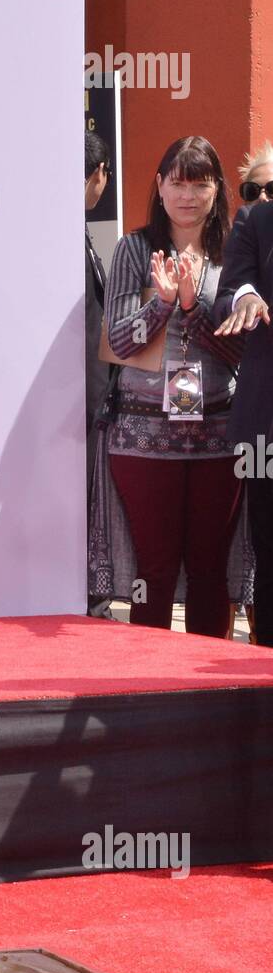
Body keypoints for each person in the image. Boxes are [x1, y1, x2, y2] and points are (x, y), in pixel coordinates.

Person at [88, 136, 251, 634]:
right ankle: (150, 675)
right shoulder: (135, 249)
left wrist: (191, 306)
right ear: (159, 187)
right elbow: (119, 341)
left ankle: (204, 677)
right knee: (153, 571)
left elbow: (241, 352)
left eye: (199, 184)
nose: (187, 196)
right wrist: (161, 304)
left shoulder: (234, 251)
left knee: (210, 570)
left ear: (217, 190)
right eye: (177, 183)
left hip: (219, 437)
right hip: (142, 438)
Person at [213, 170, 273, 646]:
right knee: (270, 553)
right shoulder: (255, 221)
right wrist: (247, 296)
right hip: (266, 429)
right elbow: (231, 292)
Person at [84, 131, 114, 618]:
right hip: (78, 404)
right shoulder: (59, 235)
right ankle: (92, 603)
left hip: (90, 401)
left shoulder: (79, 234)